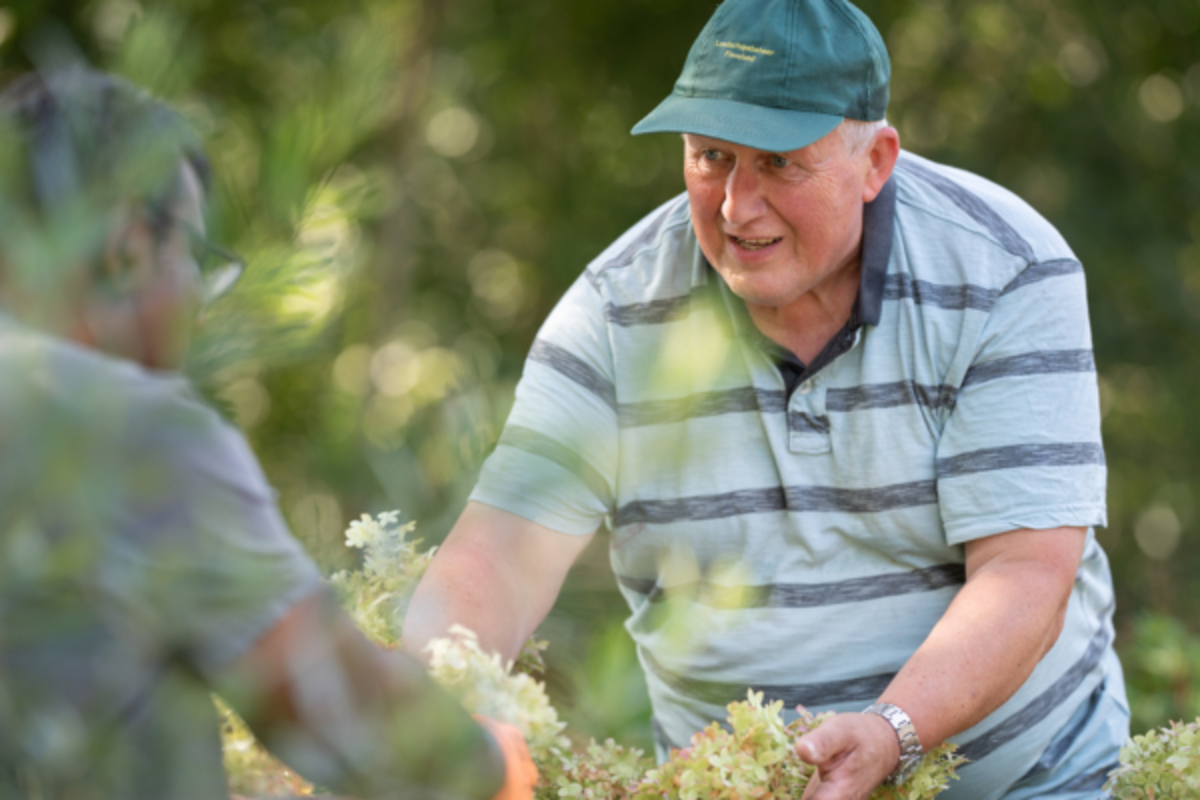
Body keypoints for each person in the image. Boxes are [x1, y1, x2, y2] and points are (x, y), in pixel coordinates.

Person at [402, 1, 1130, 798]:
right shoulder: (616, 316)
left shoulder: (1006, 272)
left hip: (1028, 780)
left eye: (780, 162)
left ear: (876, 162)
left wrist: (892, 730)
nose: (735, 206)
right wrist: (418, 711)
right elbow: (500, 553)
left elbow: (1026, 572)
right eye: (711, 155)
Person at [0, 69, 536, 800]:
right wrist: (491, 764)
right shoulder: (124, 431)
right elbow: (341, 715)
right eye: (192, 258)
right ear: (127, 245)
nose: (198, 303)